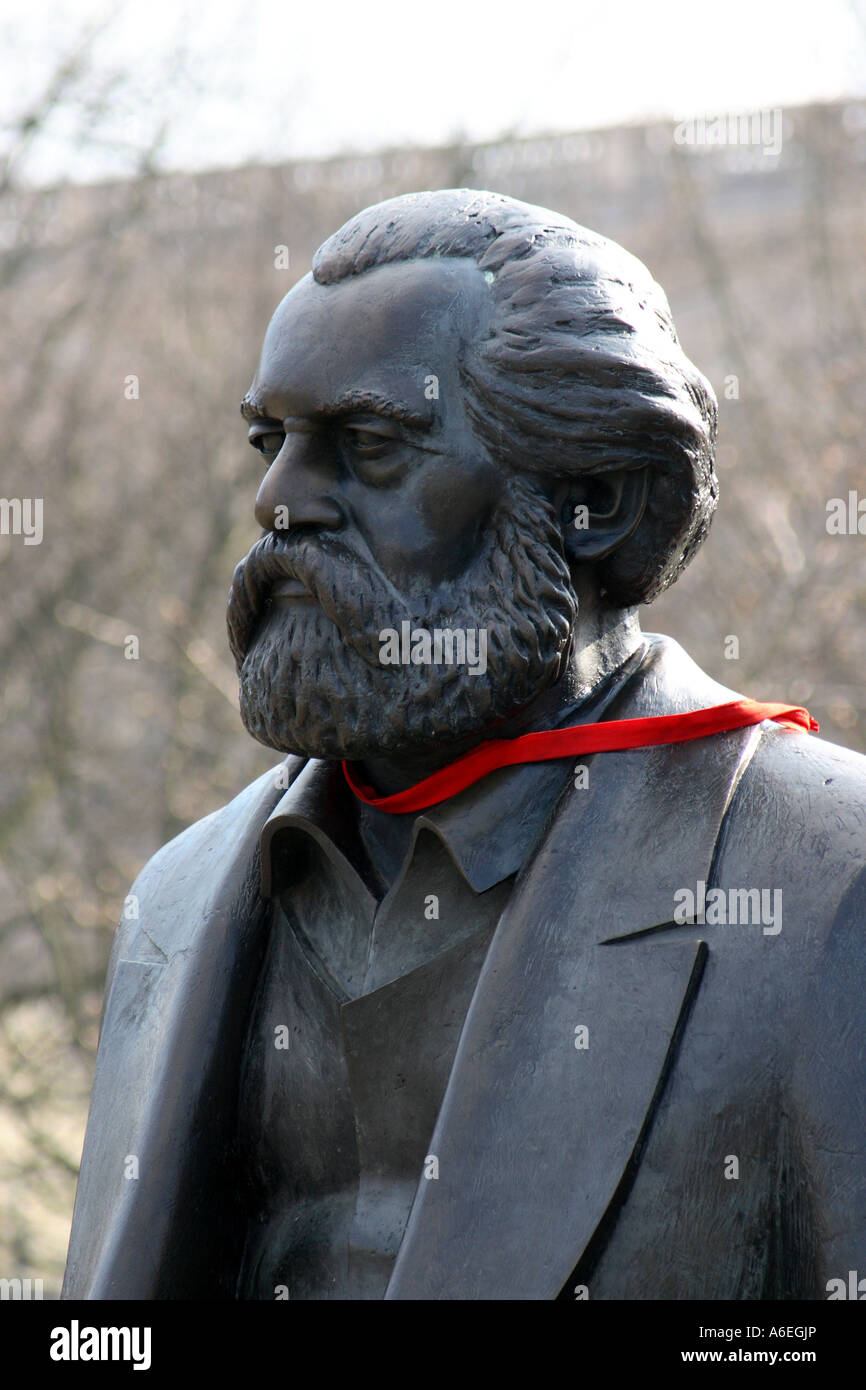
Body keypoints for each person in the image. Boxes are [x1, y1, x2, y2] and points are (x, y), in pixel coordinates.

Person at [63, 190, 866, 1300]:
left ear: (595, 500)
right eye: (270, 441)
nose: (276, 501)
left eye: (370, 446)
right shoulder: (176, 899)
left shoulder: (827, 882)